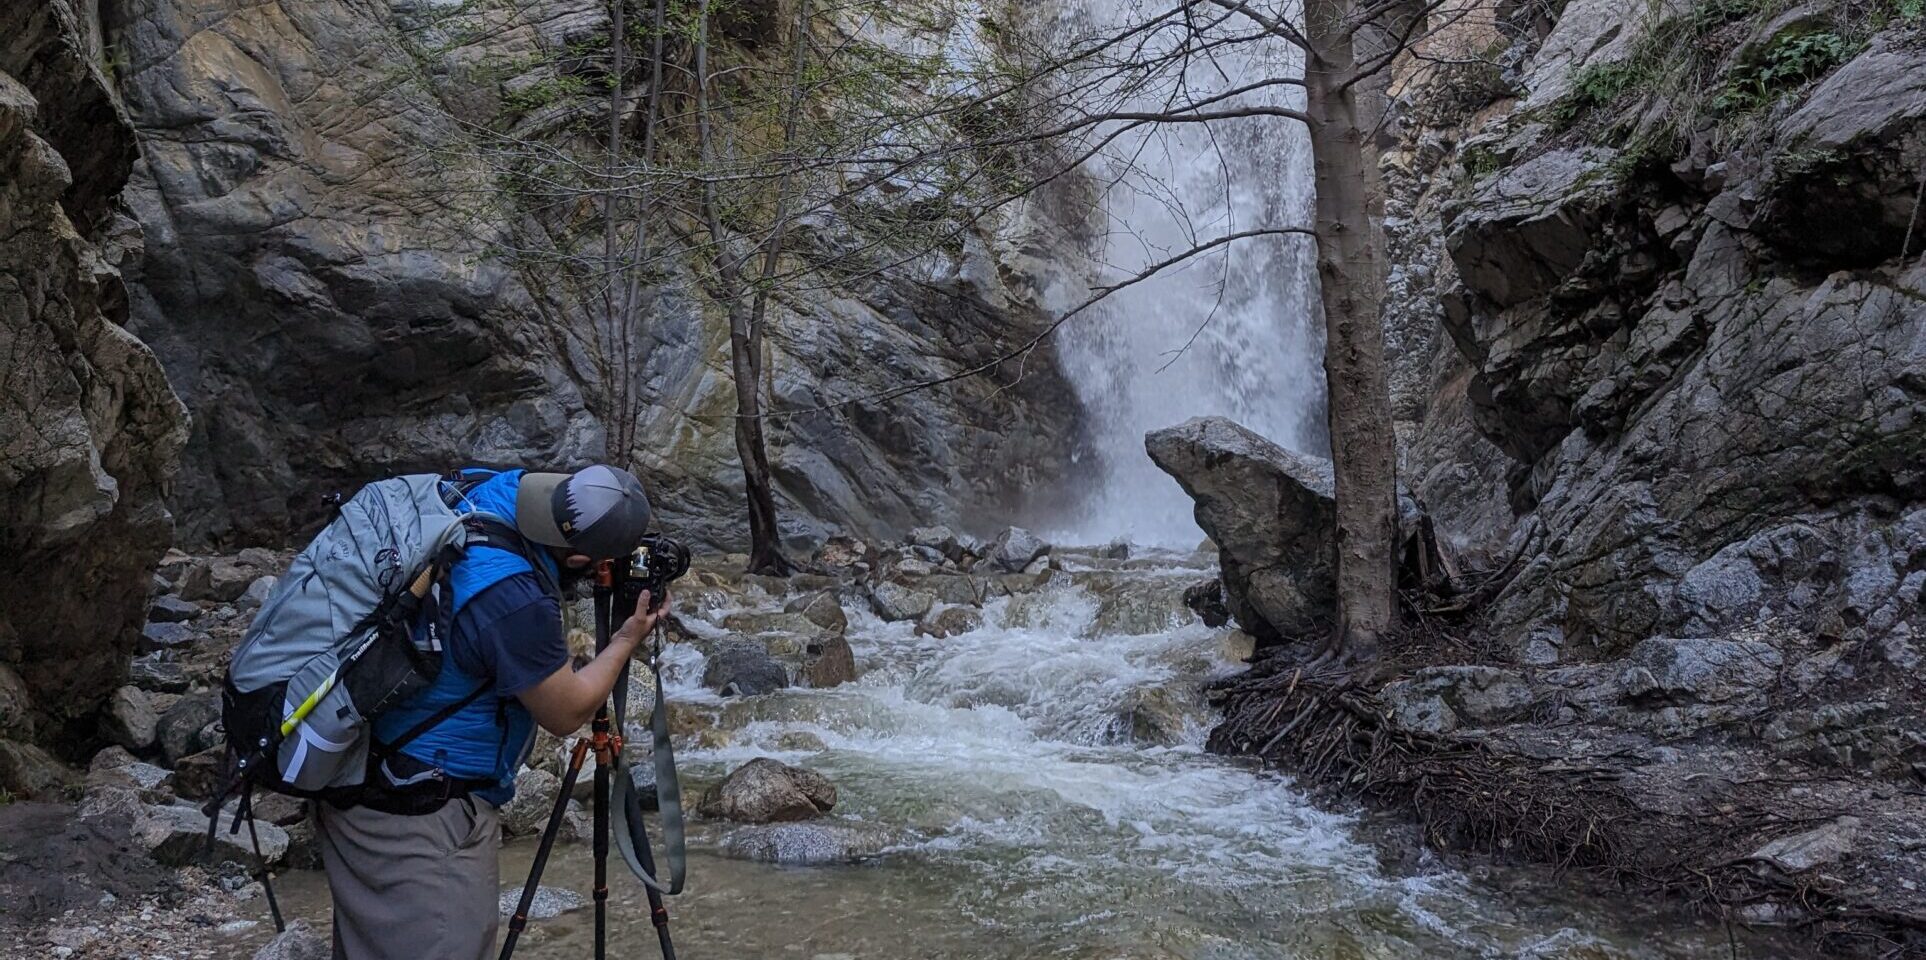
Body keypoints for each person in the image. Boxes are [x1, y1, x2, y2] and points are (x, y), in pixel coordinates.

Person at [315, 464, 667, 960]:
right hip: (419, 807)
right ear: (585, 558)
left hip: (361, 768)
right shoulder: (511, 596)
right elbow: (566, 712)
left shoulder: (496, 489)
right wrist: (627, 639)